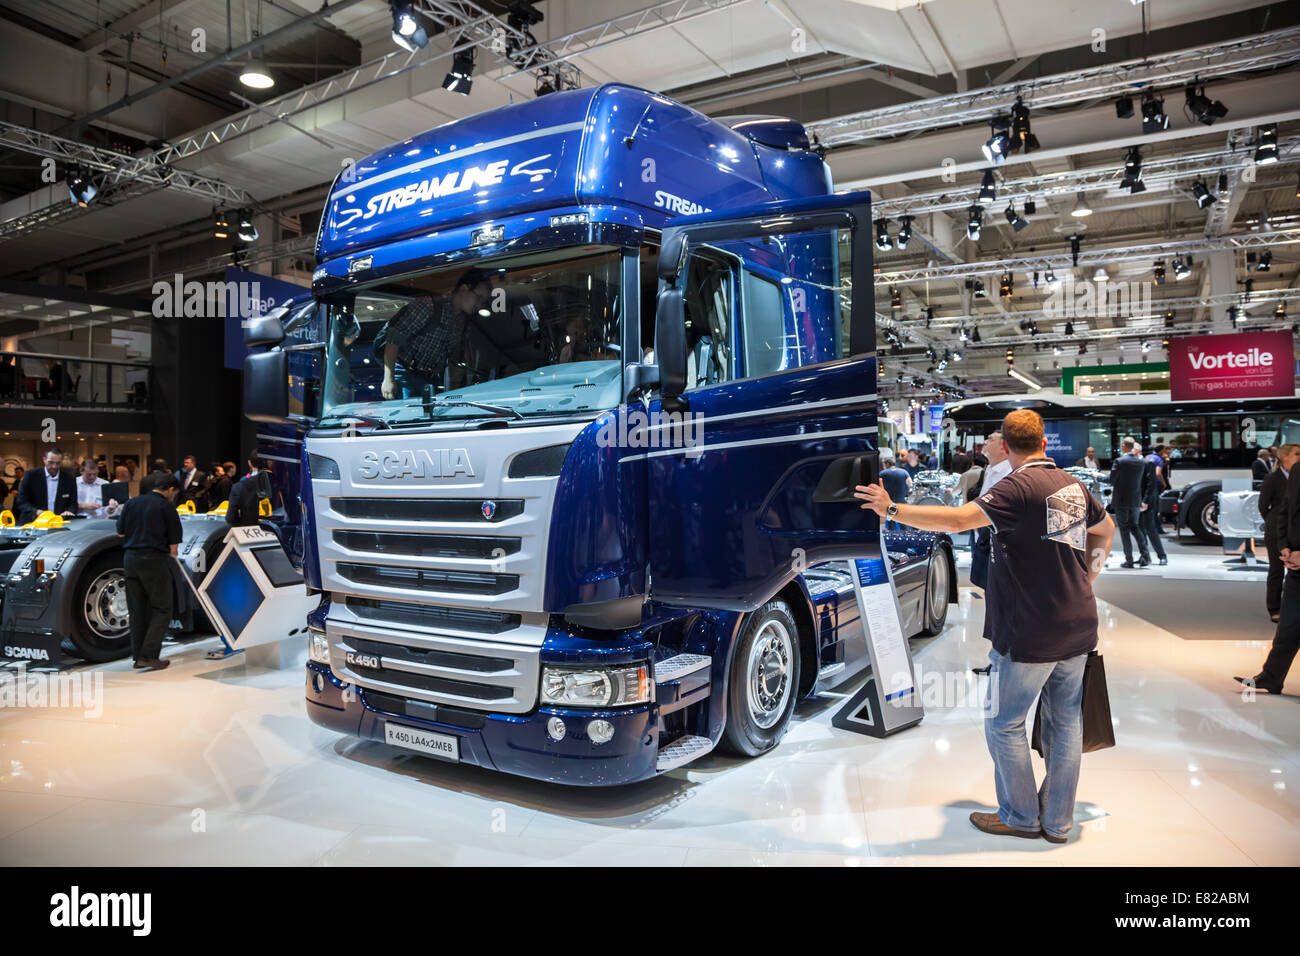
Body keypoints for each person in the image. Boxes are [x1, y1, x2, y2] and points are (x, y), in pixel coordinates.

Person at [857, 409, 1114, 843]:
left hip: (1032, 629)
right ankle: (1057, 822)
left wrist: (892, 508)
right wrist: (1087, 578)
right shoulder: (1074, 485)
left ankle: (1019, 816)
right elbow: (1106, 531)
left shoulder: (1015, 487)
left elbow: (958, 521)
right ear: (1045, 443)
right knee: (1066, 724)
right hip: (1078, 624)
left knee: (1004, 722)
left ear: (1007, 448)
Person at [1237, 453, 1300, 695]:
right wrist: (1284, 546)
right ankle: (1271, 677)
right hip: (1293, 564)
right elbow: (1286, 510)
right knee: (1288, 625)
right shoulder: (1296, 471)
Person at [115, 472, 183, 671]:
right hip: (153, 559)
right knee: (162, 608)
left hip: (130, 559)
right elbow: (173, 545)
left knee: (137, 609)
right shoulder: (166, 506)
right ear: (170, 489)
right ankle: (149, 655)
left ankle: (138, 656)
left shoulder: (132, 503)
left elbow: (120, 532)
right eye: (174, 492)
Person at [1260, 444, 1300, 623]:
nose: (1299, 457)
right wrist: (1273, 521)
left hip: (1294, 532)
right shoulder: (1273, 478)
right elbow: (1263, 505)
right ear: (1284, 457)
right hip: (1276, 530)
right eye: (1297, 454)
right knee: (1276, 569)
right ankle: (1274, 608)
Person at [1109, 436, 1152, 568]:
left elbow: (1111, 480)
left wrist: (1097, 477)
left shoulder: (1119, 461)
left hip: (1121, 500)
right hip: (1135, 500)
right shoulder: (1141, 462)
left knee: (1124, 530)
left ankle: (1129, 560)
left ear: (1123, 446)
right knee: (1135, 527)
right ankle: (1146, 555)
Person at [14, 448, 77, 524]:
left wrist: (69, 511)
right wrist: (36, 511)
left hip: (58, 524)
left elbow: (73, 503)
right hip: (32, 523)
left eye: (58, 463)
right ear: (44, 460)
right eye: (51, 462)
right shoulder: (31, 476)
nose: (54, 466)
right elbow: (21, 501)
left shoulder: (69, 479)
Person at [1136, 442, 1167, 565]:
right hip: (1138, 500)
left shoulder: (1148, 463)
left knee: (1150, 528)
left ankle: (1162, 556)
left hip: (1147, 500)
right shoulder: (1134, 464)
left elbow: (1150, 484)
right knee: (1140, 529)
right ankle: (1145, 556)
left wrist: (1145, 501)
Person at [226, 450, 269, 527]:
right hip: (277, 533)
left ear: (249, 463)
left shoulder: (238, 486)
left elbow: (231, 518)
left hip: (249, 533)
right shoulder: (282, 484)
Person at [878, 457, 912, 529]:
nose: (884, 466)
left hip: (890, 502)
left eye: (884, 465)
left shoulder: (882, 473)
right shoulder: (904, 472)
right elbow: (910, 484)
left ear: (887, 464)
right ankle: (906, 538)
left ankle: (893, 539)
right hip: (902, 501)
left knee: (891, 523)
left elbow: (879, 487)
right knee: (904, 523)